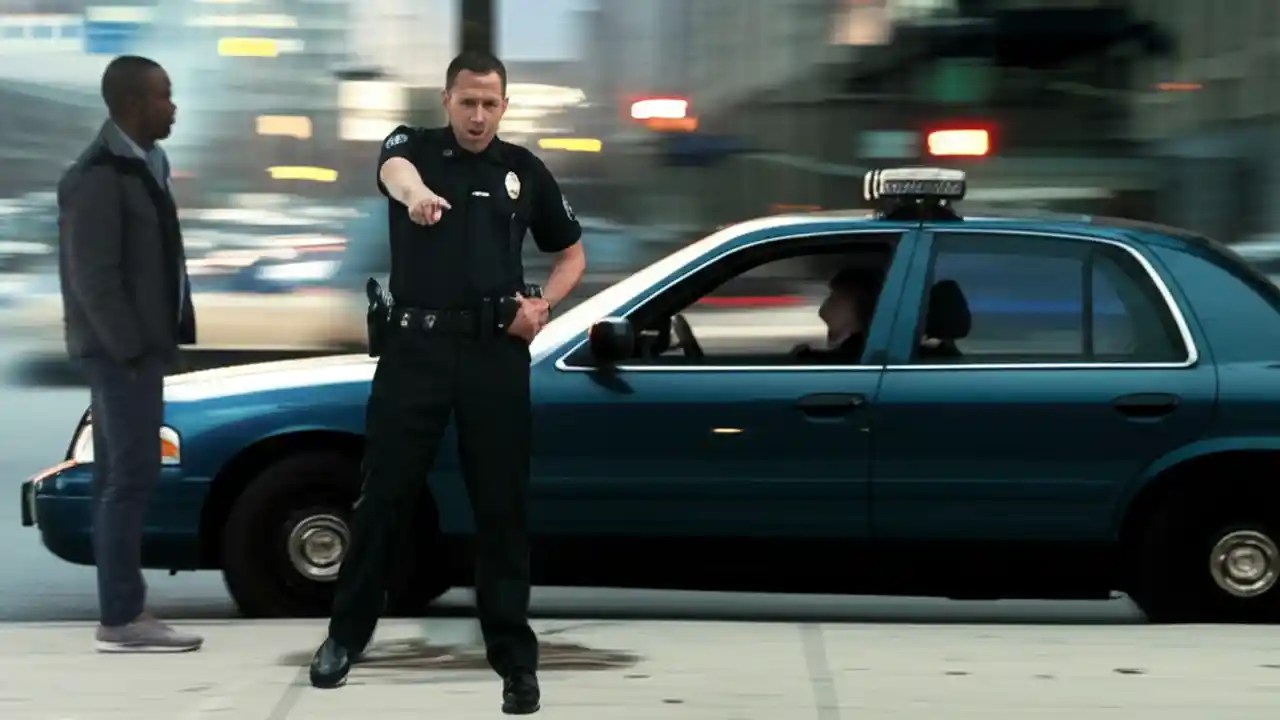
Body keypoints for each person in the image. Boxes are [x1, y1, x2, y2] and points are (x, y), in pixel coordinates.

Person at [309, 50, 586, 715]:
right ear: (447, 100)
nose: (478, 115)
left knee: (502, 507)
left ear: (505, 106)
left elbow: (570, 251)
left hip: (495, 355)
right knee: (383, 499)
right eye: (468, 102)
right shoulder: (416, 149)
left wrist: (543, 305)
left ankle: (515, 662)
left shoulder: (524, 171)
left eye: (490, 103)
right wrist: (417, 198)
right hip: (415, 351)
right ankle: (344, 639)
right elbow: (393, 171)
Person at [56, 55, 201, 653]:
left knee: (123, 476)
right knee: (128, 476)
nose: (173, 106)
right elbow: (94, 279)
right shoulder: (96, 175)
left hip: (142, 349)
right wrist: (133, 351)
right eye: (165, 96)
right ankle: (121, 618)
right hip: (121, 355)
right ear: (134, 104)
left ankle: (123, 612)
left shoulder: (148, 164)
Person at [792, 266, 882, 362]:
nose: (821, 312)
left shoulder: (858, 355)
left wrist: (803, 357)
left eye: (833, 299)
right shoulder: (866, 349)